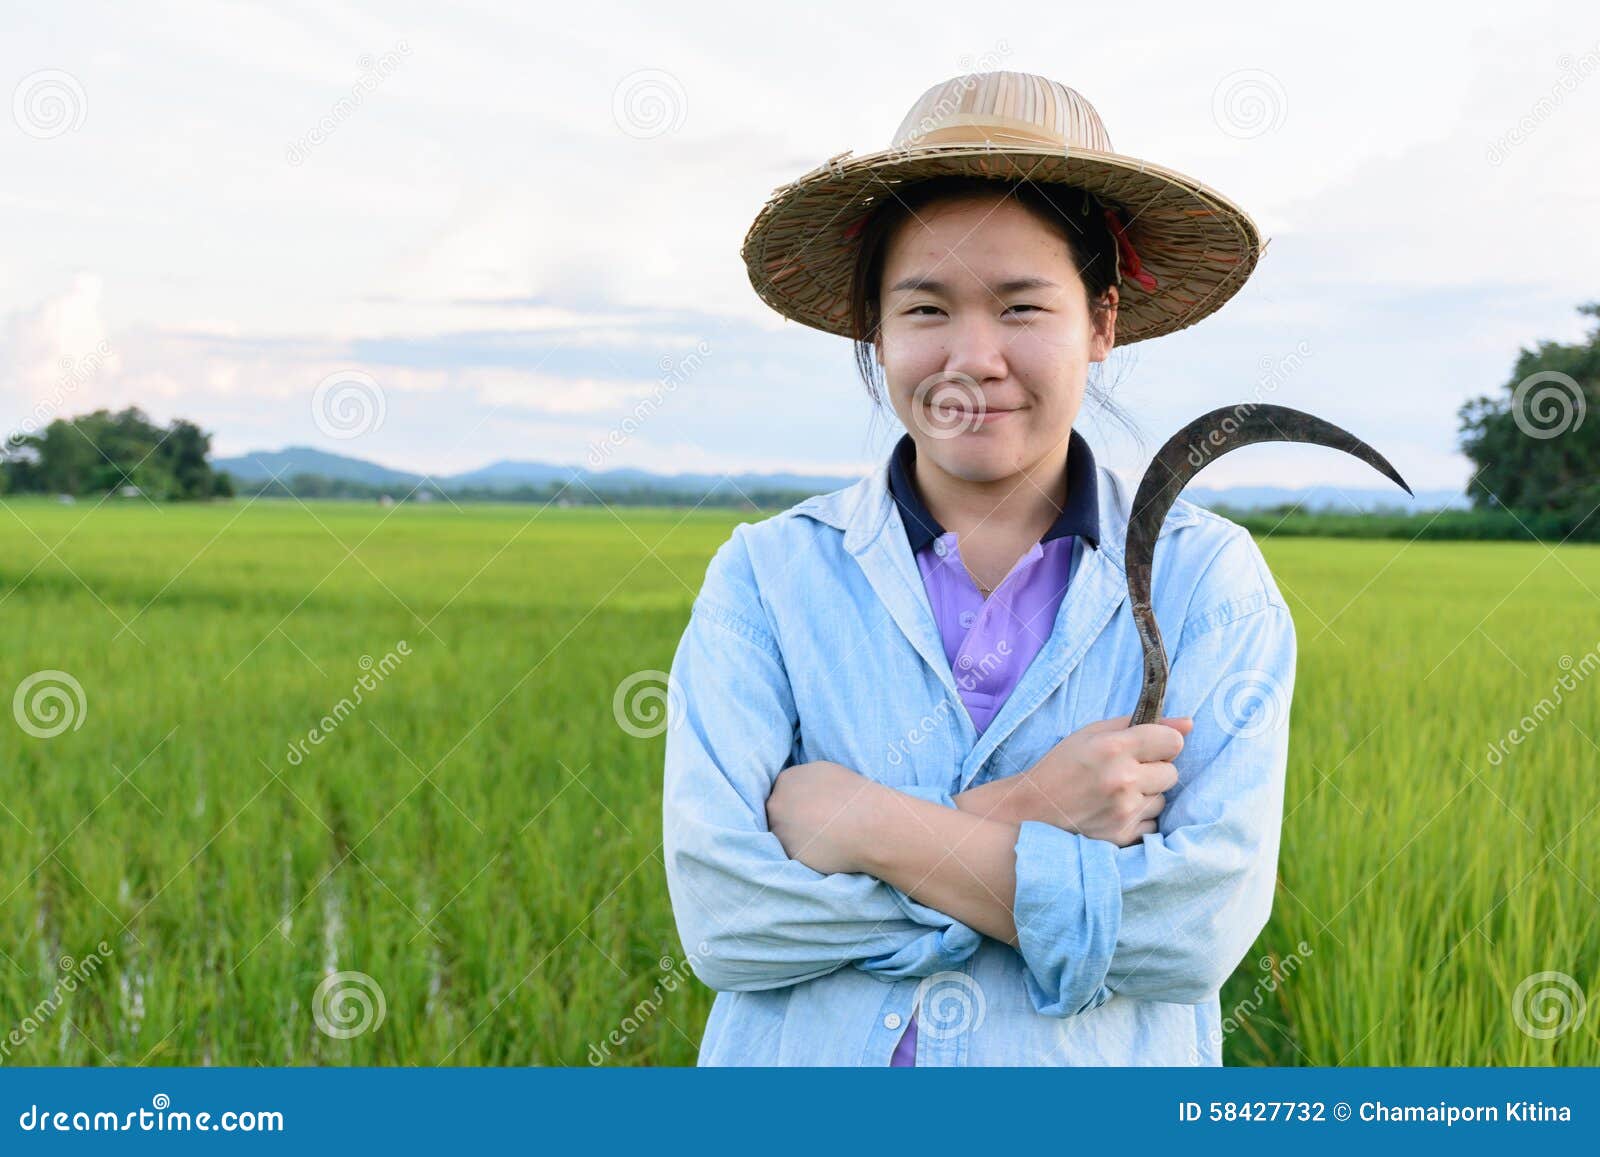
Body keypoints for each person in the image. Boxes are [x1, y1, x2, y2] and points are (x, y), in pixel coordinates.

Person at [661, 71, 1296, 1065]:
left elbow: (1190, 931)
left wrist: (857, 821)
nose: (973, 356)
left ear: (1100, 321)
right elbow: (728, 919)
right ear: (873, 326)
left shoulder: (1204, 579)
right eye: (924, 309)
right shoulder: (769, 575)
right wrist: (1030, 815)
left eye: (1020, 307)